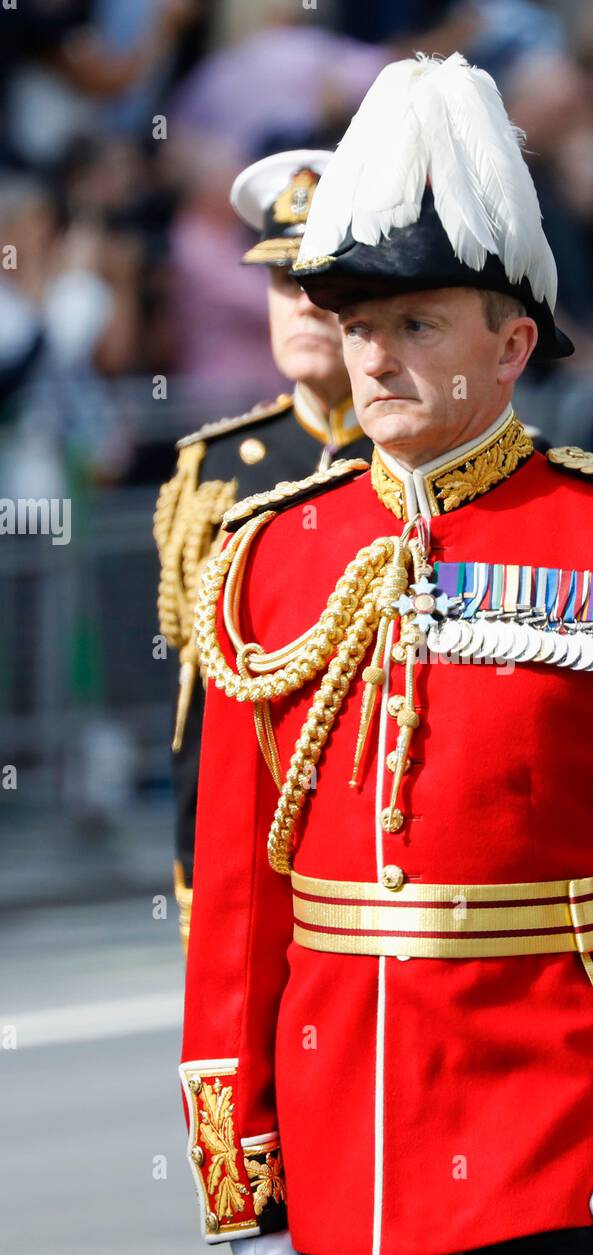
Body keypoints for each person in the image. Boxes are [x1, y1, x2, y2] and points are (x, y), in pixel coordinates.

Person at [178, 51, 593, 1255]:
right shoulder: (269, 554)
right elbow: (237, 900)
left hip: (558, 1143)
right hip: (337, 1162)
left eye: (414, 324)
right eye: (357, 327)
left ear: (509, 346)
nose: (374, 358)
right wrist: (245, 1175)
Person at [153, 148, 373, 954]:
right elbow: (200, 701)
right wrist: (195, 872)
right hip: (255, 843)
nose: (304, 307)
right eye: (286, 283)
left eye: (326, 284)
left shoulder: (423, 464)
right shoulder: (217, 471)